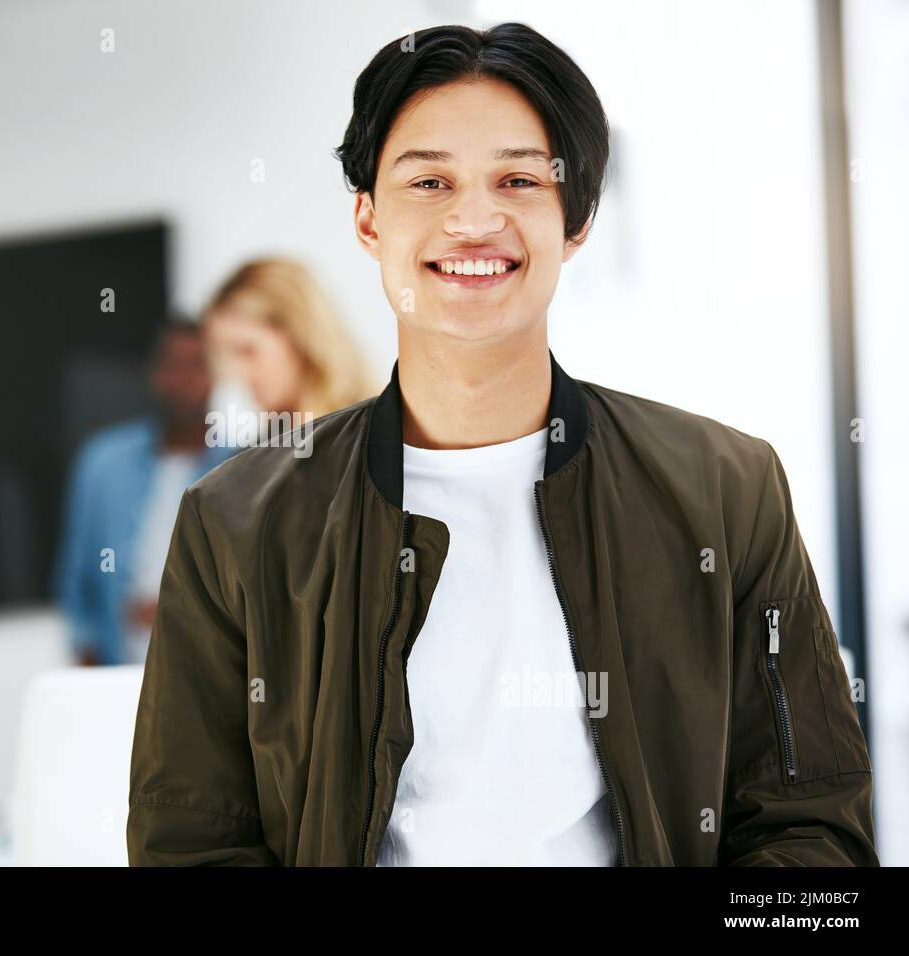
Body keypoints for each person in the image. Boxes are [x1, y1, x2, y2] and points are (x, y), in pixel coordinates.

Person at [127, 23, 877, 866]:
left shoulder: (727, 490)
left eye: (519, 179)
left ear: (577, 219)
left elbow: (815, 833)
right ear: (368, 220)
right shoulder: (235, 524)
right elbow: (189, 847)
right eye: (430, 181)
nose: (473, 219)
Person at [53, 319, 234, 667]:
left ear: (216, 375)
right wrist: (89, 676)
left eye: (196, 365)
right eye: (172, 365)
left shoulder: (240, 467)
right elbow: (77, 584)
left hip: (209, 679)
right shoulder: (102, 463)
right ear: (155, 373)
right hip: (118, 679)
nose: (183, 381)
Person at [203, 257, 374, 420]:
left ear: (300, 337)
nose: (234, 373)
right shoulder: (263, 443)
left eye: (248, 351)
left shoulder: (377, 431)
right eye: (222, 356)